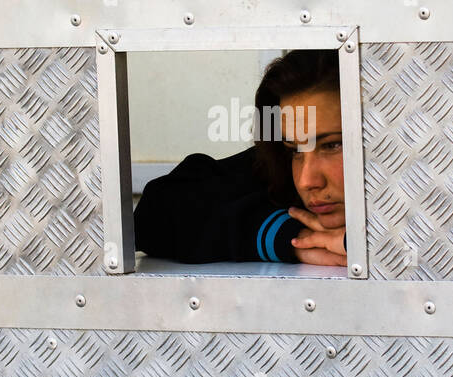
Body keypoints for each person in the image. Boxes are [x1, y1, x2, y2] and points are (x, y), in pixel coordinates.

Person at [134, 49, 348, 267]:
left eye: (332, 145)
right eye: (295, 150)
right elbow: (156, 213)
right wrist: (291, 238)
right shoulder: (279, 167)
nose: (306, 181)